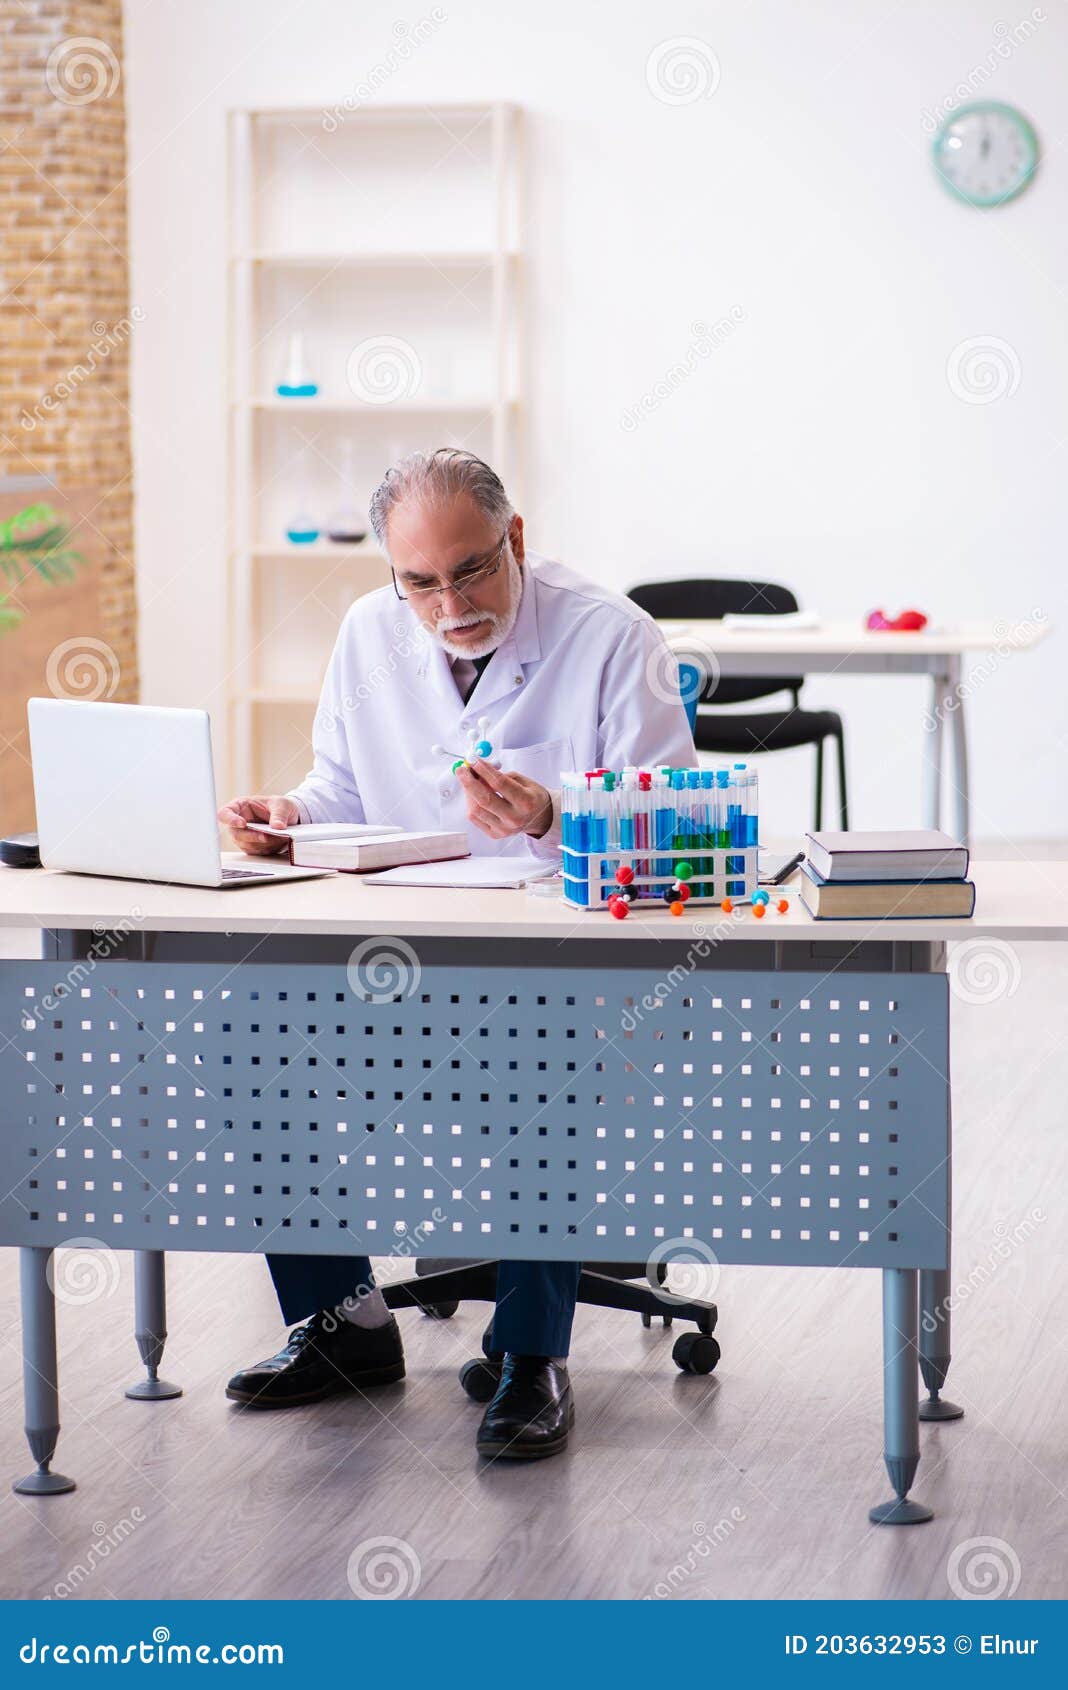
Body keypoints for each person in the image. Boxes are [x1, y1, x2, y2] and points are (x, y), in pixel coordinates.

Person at [219, 447, 696, 1460]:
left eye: (473, 570)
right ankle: (341, 1323)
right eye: (419, 582)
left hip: (569, 986)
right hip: (398, 969)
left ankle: (532, 1358)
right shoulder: (366, 635)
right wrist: (288, 816)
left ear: (516, 538)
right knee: (252, 1033)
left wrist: (560, 814)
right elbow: (341, 792)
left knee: (540, 1051)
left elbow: (680, 837)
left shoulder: (613, 637)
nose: (449, 604)